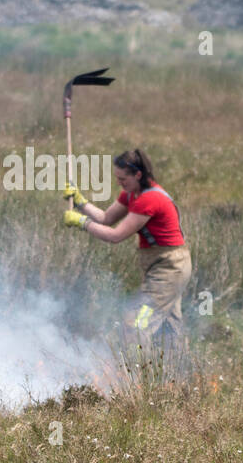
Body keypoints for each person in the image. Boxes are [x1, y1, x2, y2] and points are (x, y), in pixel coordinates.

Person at [62, 149, 191, 347]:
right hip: (162, 267)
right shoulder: (132, 194)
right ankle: (177, 373)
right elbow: (106, 218)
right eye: (117, 178)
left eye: (123, 179)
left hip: (169, 269)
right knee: (169, 327)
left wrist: (82, 223)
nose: (120, 183)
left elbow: (115, 236)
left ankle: (138, 375)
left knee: (136, 323)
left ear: (138, 174)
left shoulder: (149, 200)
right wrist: (81, 202)